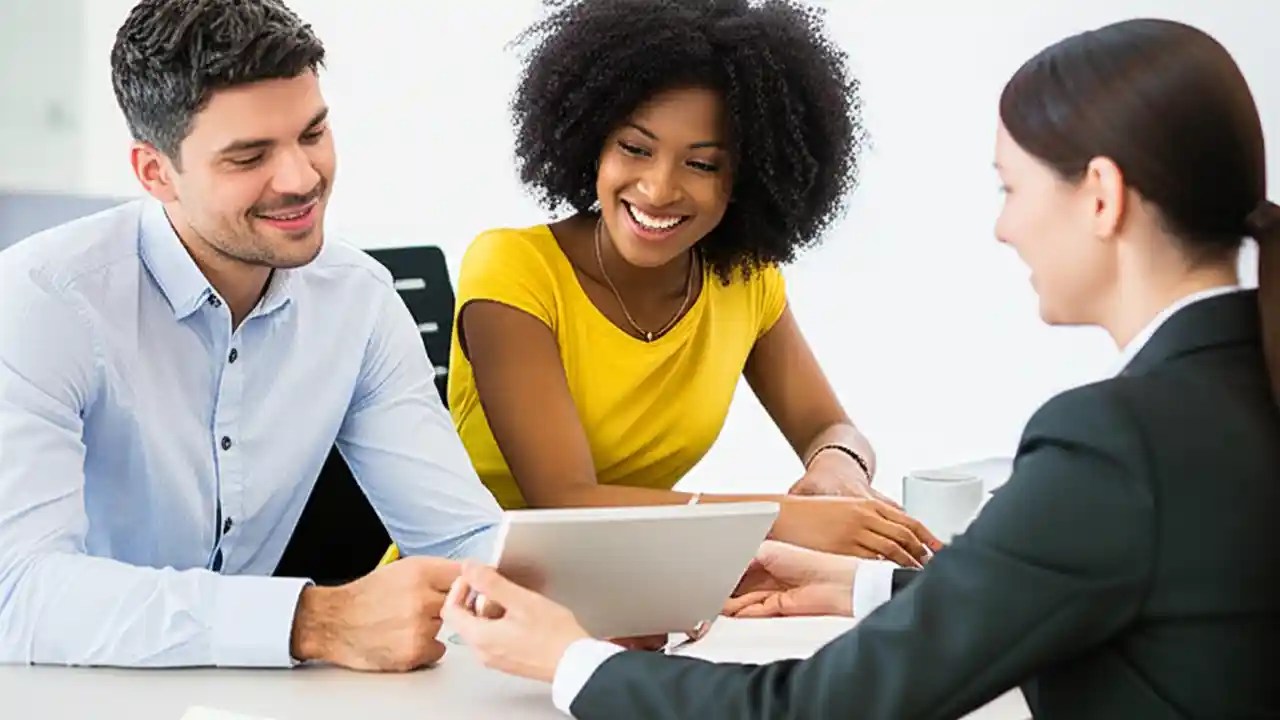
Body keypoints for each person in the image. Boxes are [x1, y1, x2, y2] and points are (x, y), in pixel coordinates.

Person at [443, 17, 1280, 718]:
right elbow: (1066, 586)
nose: (1003, 230)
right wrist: (858, 584)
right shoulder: (1241, 393)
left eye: (1010, 190)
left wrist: (572, 663)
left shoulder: (1114, 440)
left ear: (1100, 196)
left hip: (582, 632)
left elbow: (821, 707)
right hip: (469, 614)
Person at [0, 0, 501, 671]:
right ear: (155, 173)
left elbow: (463, 538)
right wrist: (311, 621)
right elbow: (19, 594)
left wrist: (587, 615)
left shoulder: (359, 300)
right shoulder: (42, 301)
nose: (300, 179)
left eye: (312, 134)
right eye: (249, 157)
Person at [433, 0, 939, 564]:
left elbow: (830, 427)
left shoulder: (745, 283)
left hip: (641, 585)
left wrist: (838, 466)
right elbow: (563, 500)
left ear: (746, 177)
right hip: (460, 597)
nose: (657, 189)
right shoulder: (512, 269)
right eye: (635, 148)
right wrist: (784, 519)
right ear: (592, 140)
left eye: (701, 164)